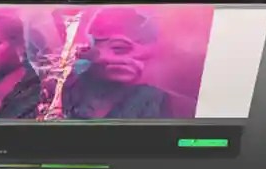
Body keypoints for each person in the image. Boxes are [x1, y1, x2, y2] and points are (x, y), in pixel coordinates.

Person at [60, 7, 197, 120]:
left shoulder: (152, 98)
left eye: (143, 57)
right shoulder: (64, 87)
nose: (132, 61)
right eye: (119, 48)